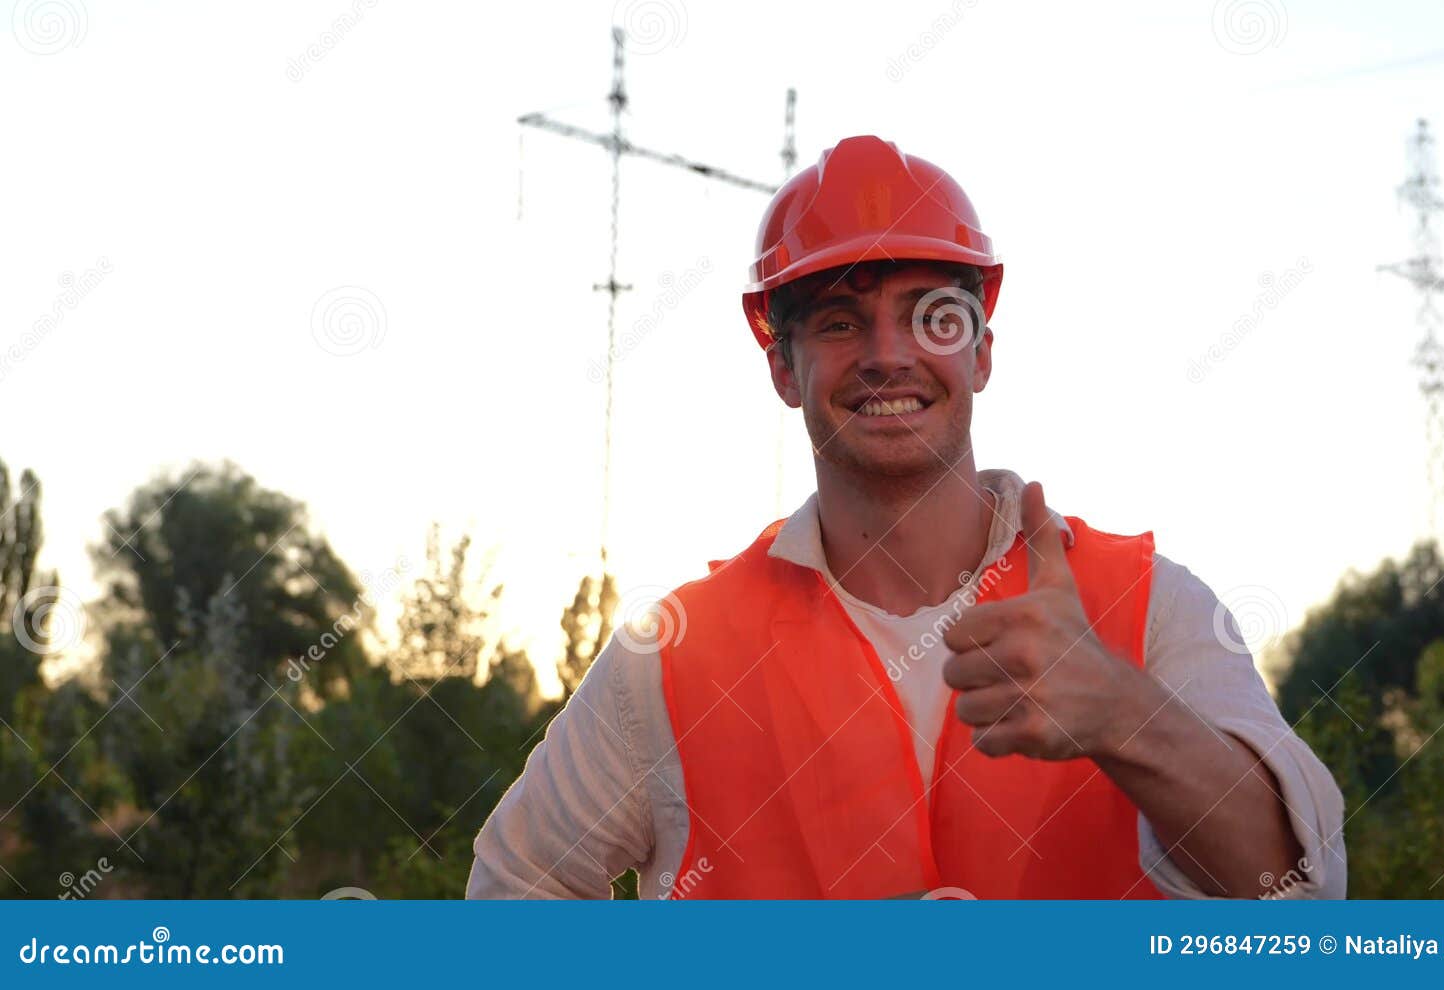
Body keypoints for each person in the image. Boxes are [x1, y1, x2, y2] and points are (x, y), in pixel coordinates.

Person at [467, 135, 1347, 900]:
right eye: (842, 322)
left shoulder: (1150, 606)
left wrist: (1126, 715)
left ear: (981, 352)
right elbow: (520, 885)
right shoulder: (673, 657)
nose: (889, 356)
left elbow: (1300, 897)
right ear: (784, 371)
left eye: (930, 317)